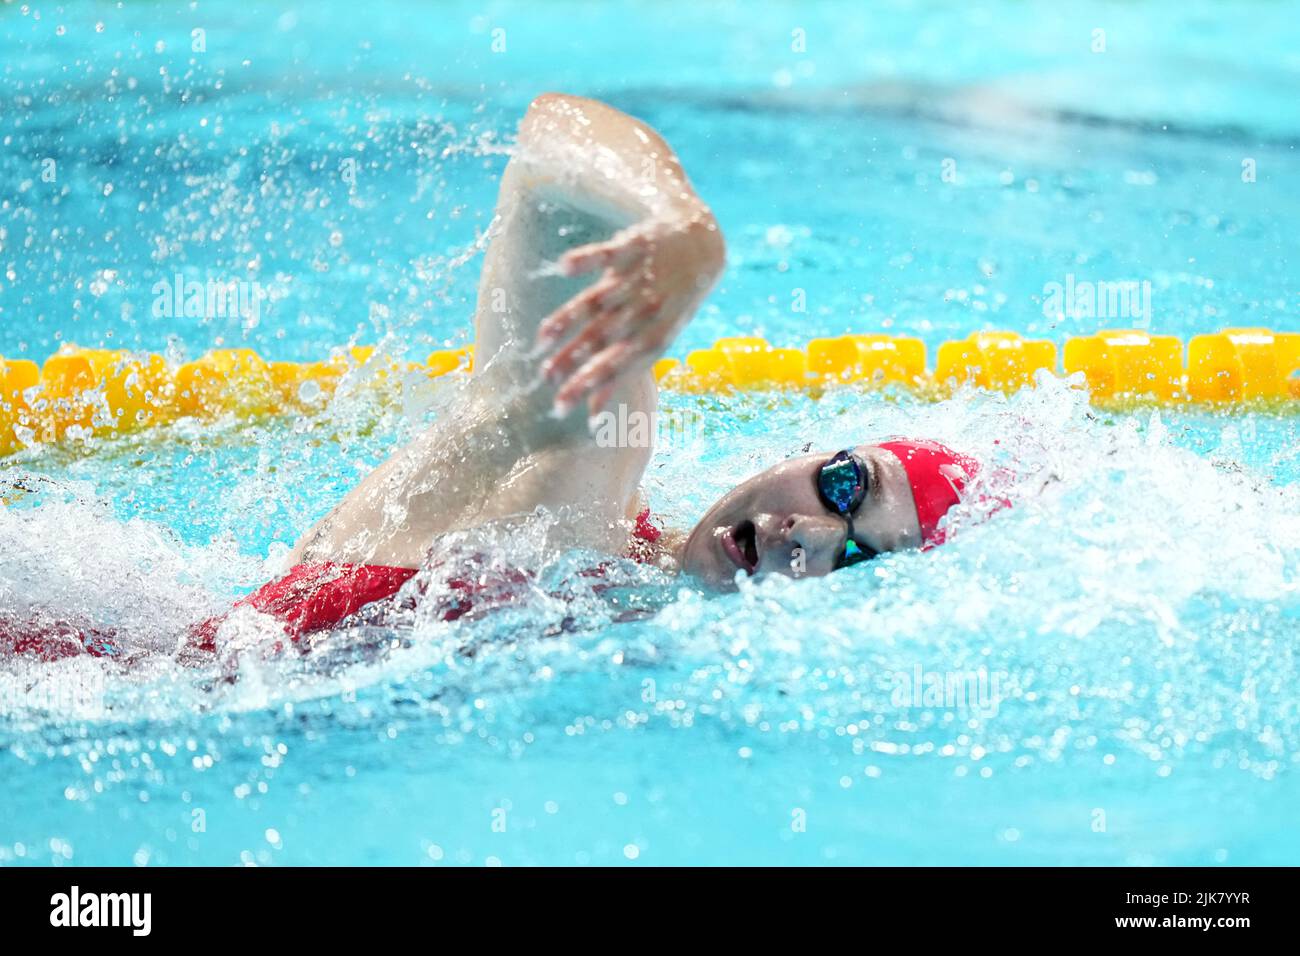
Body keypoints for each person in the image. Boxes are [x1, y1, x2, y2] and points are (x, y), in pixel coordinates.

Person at [2, 94, 991, 664]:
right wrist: (688, 231)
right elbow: (558, 133)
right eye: (845, 485)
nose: (801, 532)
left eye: (854, 557)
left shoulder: (618, 602)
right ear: (807, 451)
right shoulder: (584, 487)